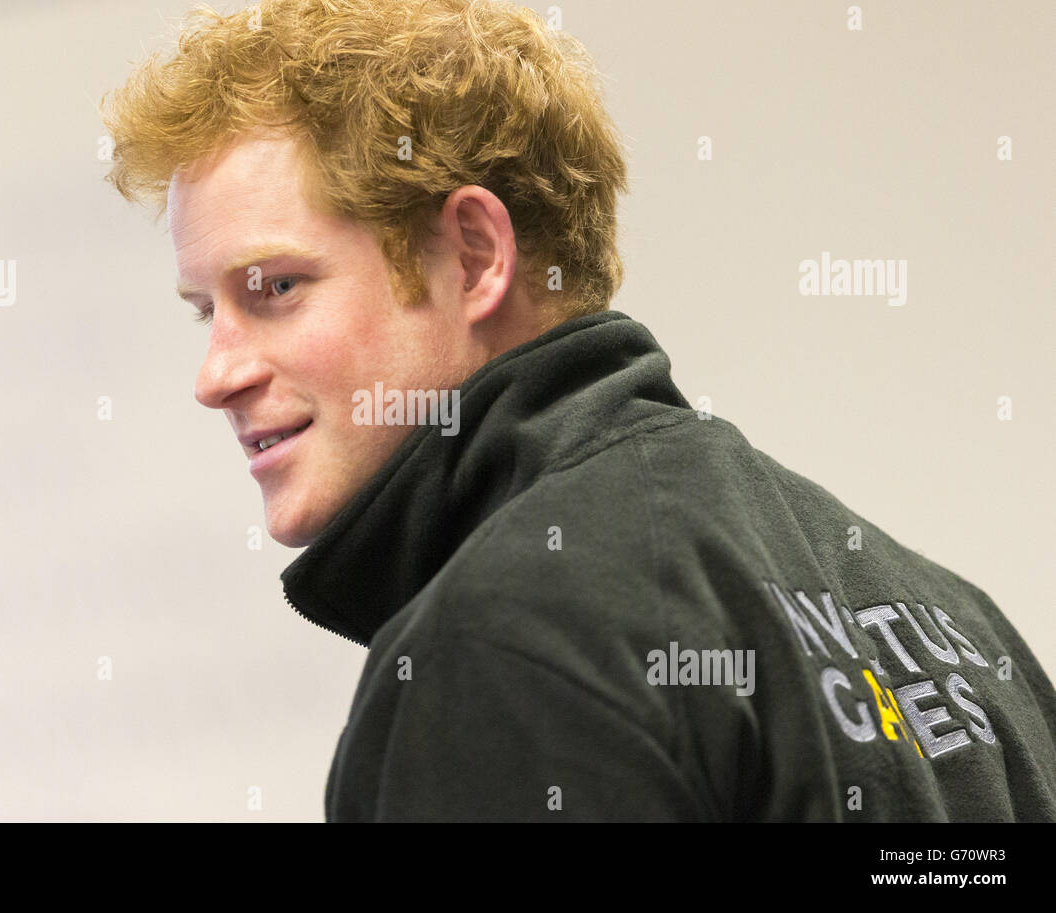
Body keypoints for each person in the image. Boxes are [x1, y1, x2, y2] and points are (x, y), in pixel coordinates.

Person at [101, 0, 1056, 821]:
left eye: (273, 288)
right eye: (204, 312)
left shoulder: (500, 651)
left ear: (475, 256)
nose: (215, 374)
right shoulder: (962, 634)